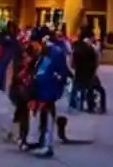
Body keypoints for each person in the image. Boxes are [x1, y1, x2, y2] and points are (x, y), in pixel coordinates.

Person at [29, 29, 71, 158]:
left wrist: (53, 89)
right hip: (43, 90)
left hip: (50, 91)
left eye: (34, 43)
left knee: (48, 119)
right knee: (44, 118)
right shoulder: (45, 53)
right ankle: (42, 143)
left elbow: (60, 74)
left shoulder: (55, 53)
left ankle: (48, 146)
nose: (33, 46)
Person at [70, 29, 105, 113]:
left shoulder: (76, 46)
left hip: (79, 72)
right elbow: (96, 61)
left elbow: (72, 61)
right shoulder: (92, 48)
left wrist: (74, 67)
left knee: (76, 88)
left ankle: (74, 105)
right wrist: (94, 70)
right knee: (96, 89)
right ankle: (93, 106)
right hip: (89, 72)